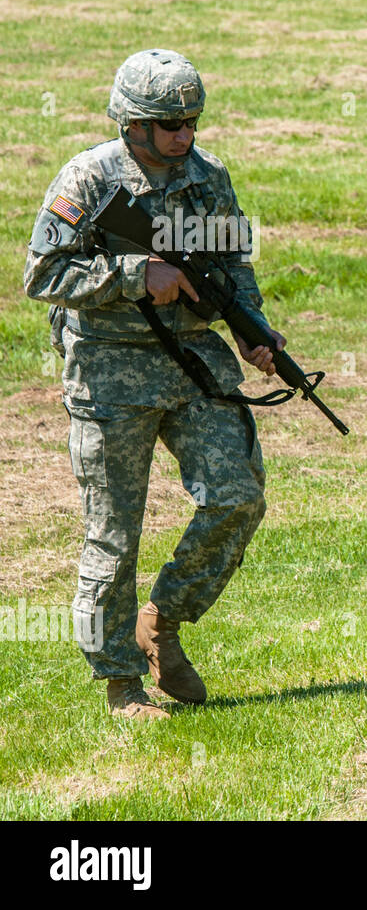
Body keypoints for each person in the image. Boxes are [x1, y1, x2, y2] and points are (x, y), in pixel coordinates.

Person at [25, 49, 284, 718]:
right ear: (132, 124)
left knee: (238, 494)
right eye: (170, 124)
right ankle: (122, 687)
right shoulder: (87, 180)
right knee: (114, 535)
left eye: (192, 121)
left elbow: (230, 262)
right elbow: (42, 275)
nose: (184, 136)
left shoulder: (208, 178)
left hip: (194, 363)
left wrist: (252, 330)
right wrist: (139, 277)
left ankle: (162, 621)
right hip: (110, 374)